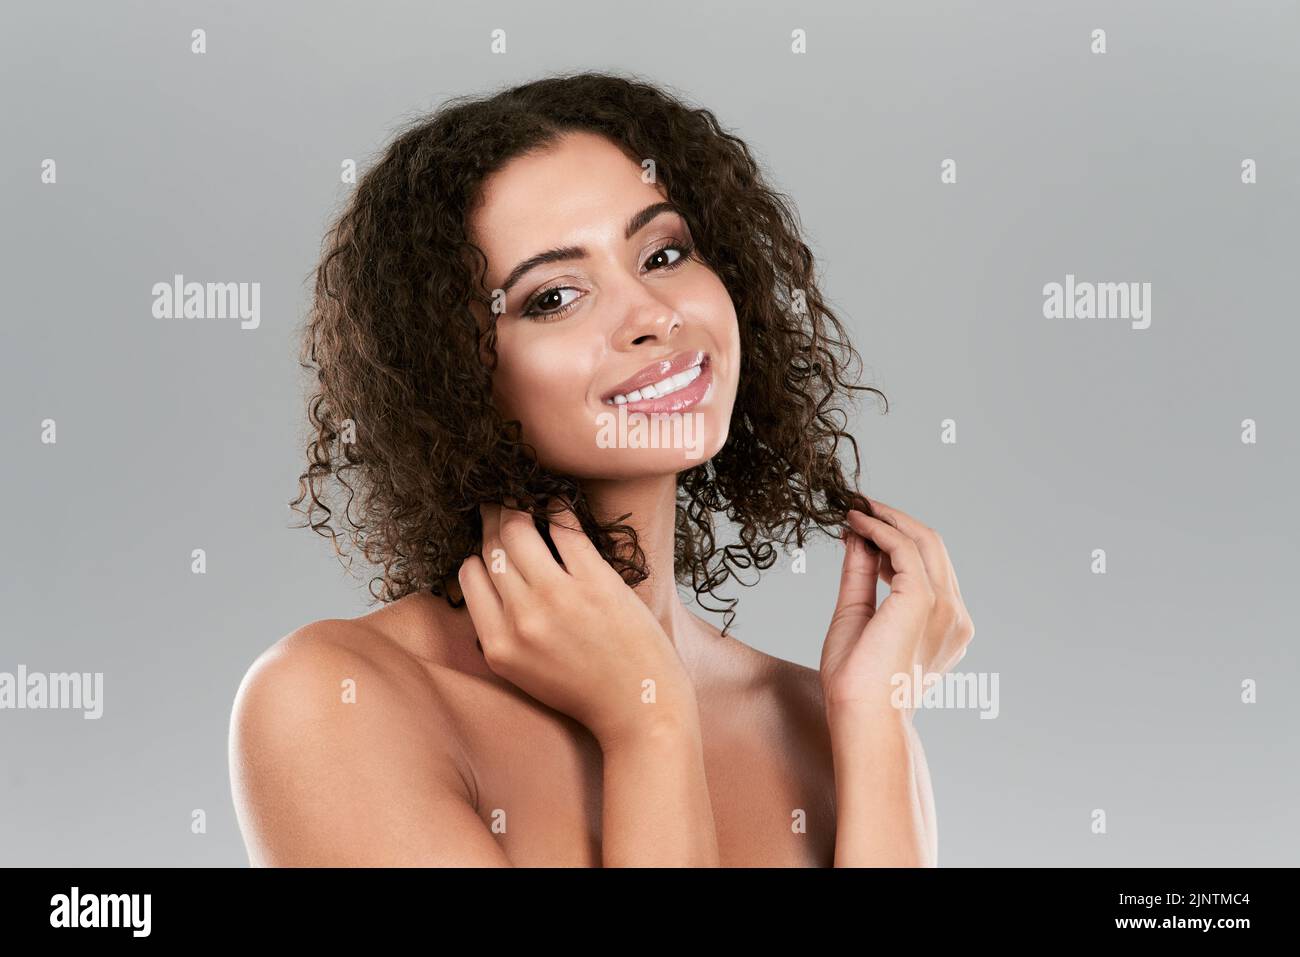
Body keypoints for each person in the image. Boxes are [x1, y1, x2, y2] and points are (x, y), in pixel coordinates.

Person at [228, 70, 975, 867]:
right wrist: (648, 726)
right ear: (451, 372)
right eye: (552, 297)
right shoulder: (336, 700)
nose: (655, 316)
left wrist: (873, 720)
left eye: (663, 252)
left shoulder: (816, 718)